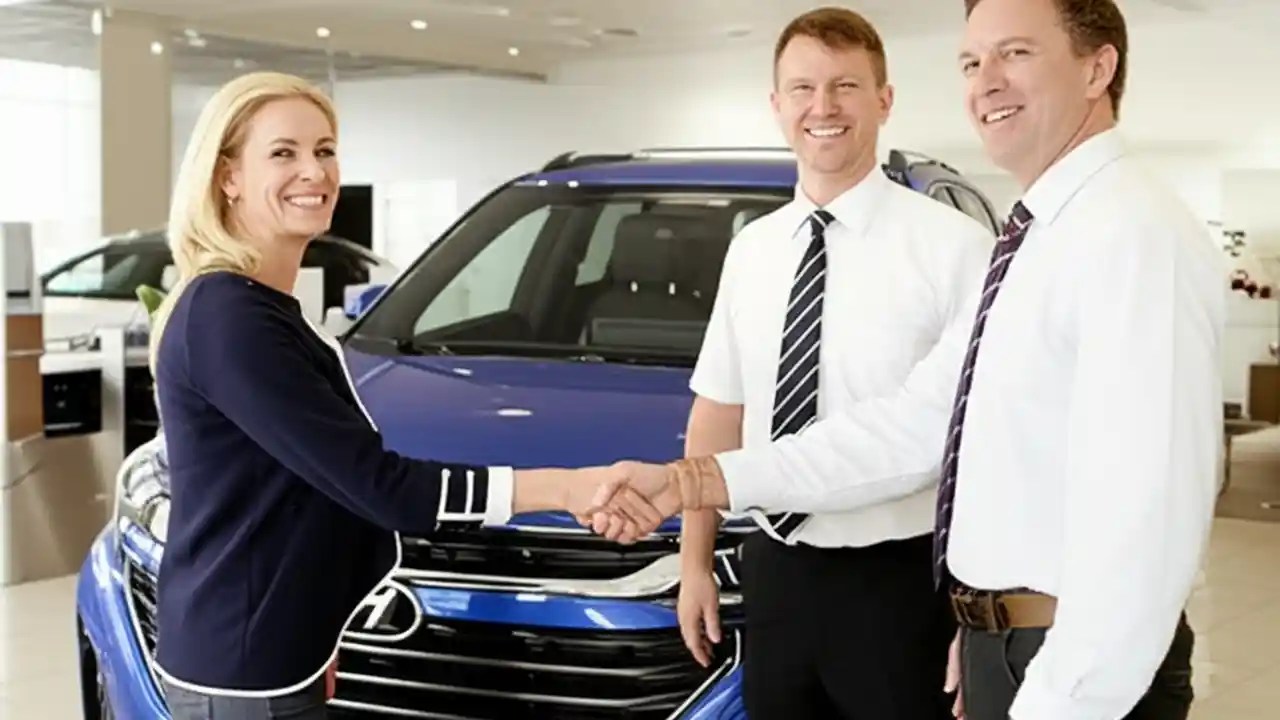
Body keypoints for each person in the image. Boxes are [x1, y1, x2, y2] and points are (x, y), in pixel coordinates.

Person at [591, 1, 1223, 719]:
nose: (986, 81)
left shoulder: (1131, 236)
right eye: (971, 61)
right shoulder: (1043, 240)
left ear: (1097, 67)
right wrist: (694, 482)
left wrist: (1054, 699)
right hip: (1004, 641)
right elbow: (914, 428)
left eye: (1015, 53)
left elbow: (1148, 516)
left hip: (1062, 671)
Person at [147, 71, 656, 720]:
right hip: (247, 671)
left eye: (325, 150)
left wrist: (325, 623)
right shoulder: (230, 318)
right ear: (227, 176)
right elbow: (382, 488)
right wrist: (565, 489)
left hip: (274, 652)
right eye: (284, 152)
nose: (315, 171)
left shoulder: (253, 308)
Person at [672, 7, 994, 719]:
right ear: (777, 104)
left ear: (884, 100)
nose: (823, 107)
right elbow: (719, 410)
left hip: (901, 582)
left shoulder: (955, 249)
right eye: (803, 88)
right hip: (775, 572)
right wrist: (694, 562)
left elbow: (984, 448)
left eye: (846, 87)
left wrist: (973, 619)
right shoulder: (751, 249)